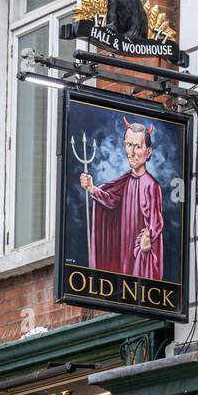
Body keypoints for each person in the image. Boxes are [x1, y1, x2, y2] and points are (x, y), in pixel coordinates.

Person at [79, 118, 164, 280]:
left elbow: (156, 221)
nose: (131, 153)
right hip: (124, 248)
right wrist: (92, 188)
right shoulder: (125, 181)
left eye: (137, 147)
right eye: (128, 145)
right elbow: (110, 200)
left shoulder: (151, 185)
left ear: (148, 152)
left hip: (140, 253)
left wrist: (149, 236)